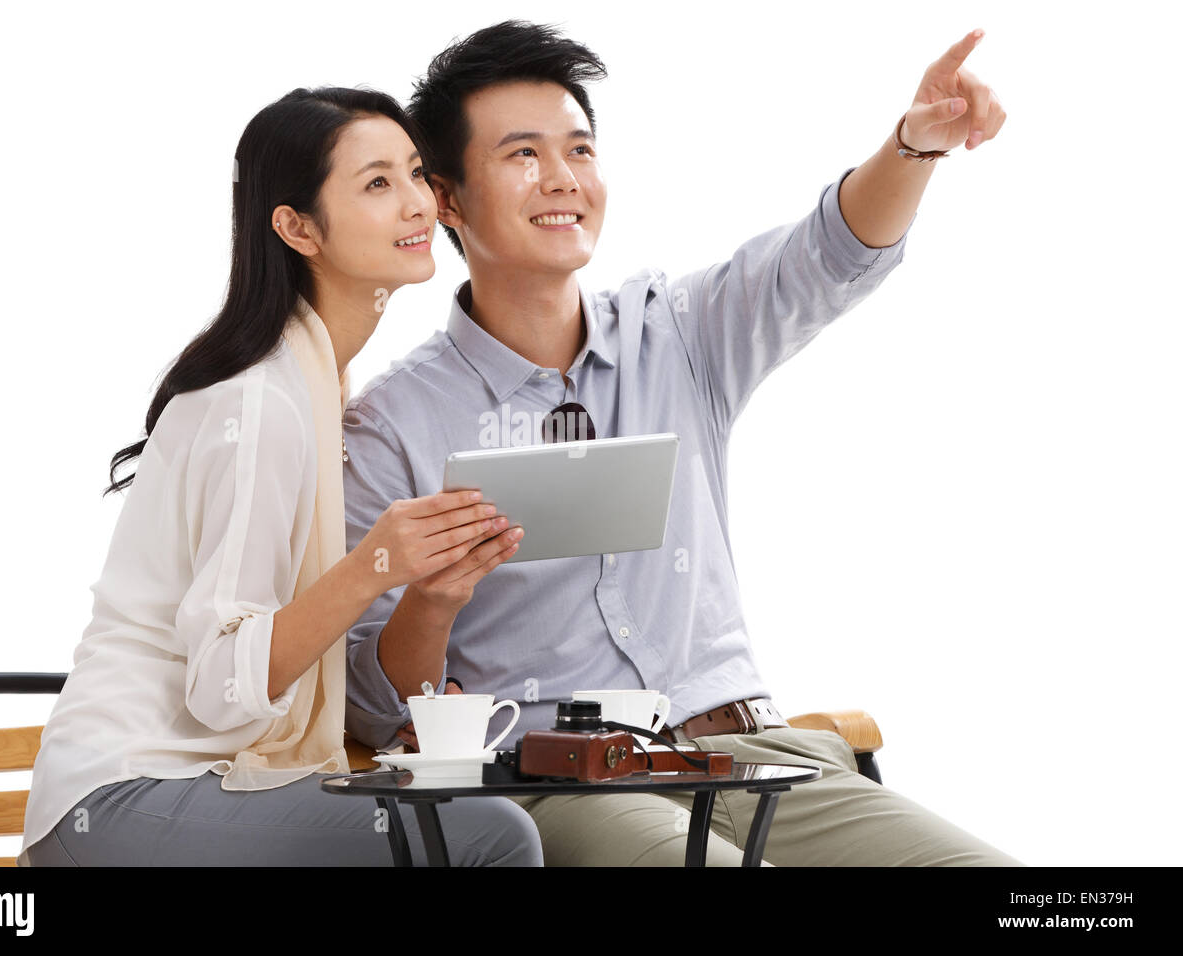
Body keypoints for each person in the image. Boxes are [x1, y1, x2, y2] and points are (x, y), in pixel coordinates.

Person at [340, 20, 1019, 865]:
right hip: (559, 784)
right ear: (445, 198)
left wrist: (913, 145)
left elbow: (826, 255)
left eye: (580, 151)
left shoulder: (679, 335)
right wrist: (433, 599)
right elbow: (368, 706)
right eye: (522, 155)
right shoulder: (390, 423)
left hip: (751, 759)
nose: (562, 179)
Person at [18, 86, 541, 866]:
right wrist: (375, 566)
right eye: (376, 183)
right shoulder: (260, 402)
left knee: (466, 817)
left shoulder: (321, 390)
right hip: (126, 795)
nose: (417, 203)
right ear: (297, 228)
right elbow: (222, 686)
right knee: (490, 835)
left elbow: (351, 700)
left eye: (414, 173)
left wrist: (429, 595)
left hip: (209, 788)